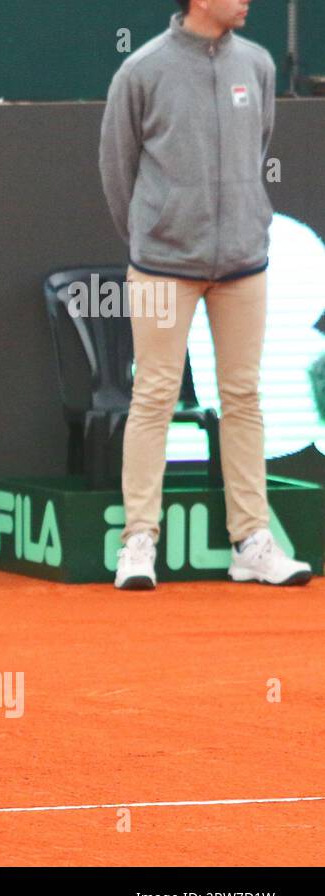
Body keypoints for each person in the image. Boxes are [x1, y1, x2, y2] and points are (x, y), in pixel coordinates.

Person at [99, 0, 311, 590]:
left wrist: (240, 219)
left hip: (244, 263)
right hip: (163, 265)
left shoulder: (260, 66)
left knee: (243, 395)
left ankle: (252, 542)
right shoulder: (141, 72)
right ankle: (138, 542)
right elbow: (118, 170)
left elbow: (257, 148)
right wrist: (156, 233)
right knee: (155, 396)